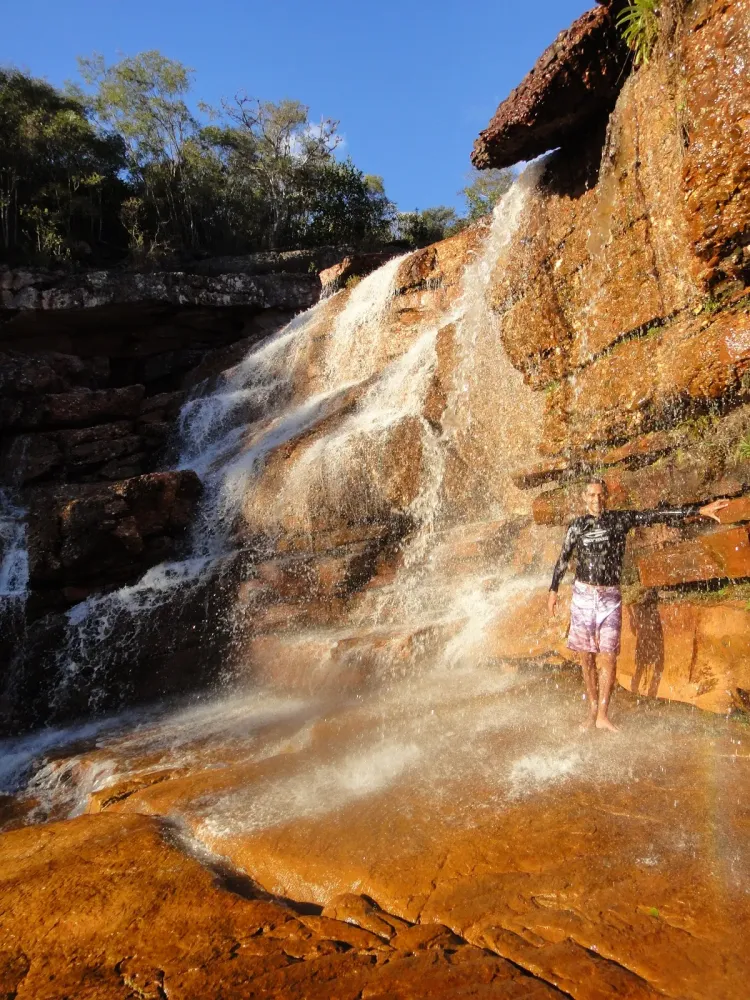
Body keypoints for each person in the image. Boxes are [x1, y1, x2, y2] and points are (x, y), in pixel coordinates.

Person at [547, 480, 728, 732]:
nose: (596, 500)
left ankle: (602, 714)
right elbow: (562, 558)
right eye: (591, 495)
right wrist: (553, 590)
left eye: (600, 495)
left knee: (608, 656)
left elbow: (654, 515)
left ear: (606, 497)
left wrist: (697, 511)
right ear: (584, 498)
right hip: (583, 597)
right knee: (586, 656)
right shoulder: (576, 526)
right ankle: (590, 709)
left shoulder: (620, 520)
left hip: (610, 597)